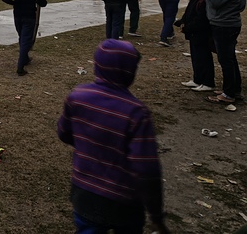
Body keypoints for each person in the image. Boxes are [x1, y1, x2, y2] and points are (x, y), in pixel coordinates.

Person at [57, 39, 170, 234]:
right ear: (130, 72)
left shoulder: (78, 96)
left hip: (85, 193)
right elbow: (147, 169)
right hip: (124, 201)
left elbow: (65, 134)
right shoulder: (136, 113)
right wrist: (156, 214)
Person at [202, 0, 246, 105]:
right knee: (230, 59)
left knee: (226, 59)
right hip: (230, 22)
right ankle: (234, 89)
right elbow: (240, 5)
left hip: (224, 25)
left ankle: (228, 94)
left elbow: (214, 1)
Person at [2, 0, 47, 76]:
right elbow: (43, 3)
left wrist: (15, 3)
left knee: (22, 37)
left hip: (17, 16)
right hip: (29, 17)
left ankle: (25, 59)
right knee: (26, 40)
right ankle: (20, 68)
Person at [176, 0, 214, 92]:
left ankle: (208, 82)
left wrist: (188, 27)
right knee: (196, 57)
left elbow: (201, 19)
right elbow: (188, 12)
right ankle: (197, 79)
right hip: (193, 33)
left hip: (201, 33)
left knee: (204, 57)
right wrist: (182, 22)